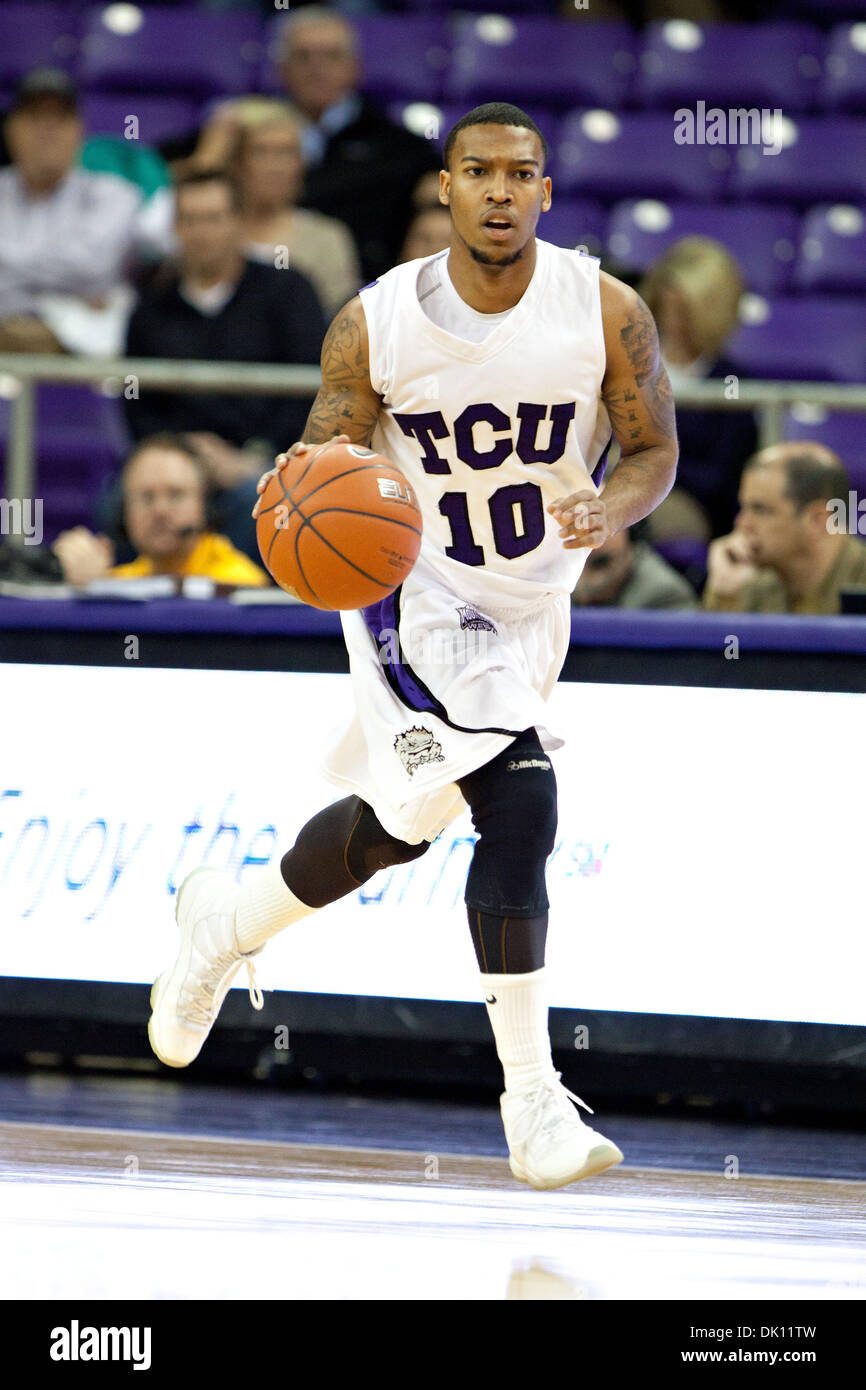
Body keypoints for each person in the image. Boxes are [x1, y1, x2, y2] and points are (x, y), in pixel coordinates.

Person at [147, 103, 679, 1191]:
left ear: (543, 190)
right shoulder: (378, 320)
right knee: (522, 799)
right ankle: (531, 1100)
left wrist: (611, 508)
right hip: (415, 596)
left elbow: (653, 448)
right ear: (443, 187)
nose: (496, 189)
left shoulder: (604, 309)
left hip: (531, 606)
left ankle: (223, 923)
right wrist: (297, 485)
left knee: (397, 832)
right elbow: (328, 442)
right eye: (475, 171)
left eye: (518, 173)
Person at [122, 169, 326, 561]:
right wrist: (181, 454)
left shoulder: (287, 291)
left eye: (213, 218)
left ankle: (254, 614)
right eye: (190, 219)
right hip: (176, 460)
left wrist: (256, 454)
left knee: (256, 497)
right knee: (121, 497)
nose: (201, 232)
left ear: (238, 221)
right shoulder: (151, 304)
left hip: (269, 458)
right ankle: (133, 610)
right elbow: (135, 400)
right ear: (175, 227)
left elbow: (312, 390)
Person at [180, 6, 440, 282]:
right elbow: (168, 181)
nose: (317, 68)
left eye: (331, 56)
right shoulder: (244, 130)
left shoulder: (400, 149)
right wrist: (210, 155)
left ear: (356, 68)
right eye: (303, 56)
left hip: (363, 287)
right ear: (281, 68)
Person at [0, 68, 173, 355]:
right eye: (34, 119)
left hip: (80, 352)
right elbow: (80, 275)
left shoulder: (115, 193)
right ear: (10, 129)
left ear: (78, 131)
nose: (47, 132)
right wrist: (70, 292)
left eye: (60, 120)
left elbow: (90, 268)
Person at [639, 237, 758, 542]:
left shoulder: (732, 383)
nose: (673, 321)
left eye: (685, 312)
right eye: (668, 306)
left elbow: (718, 481)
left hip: (690, 507)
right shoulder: (629, 361)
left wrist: (649, 466)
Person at [53, 434, 269, 589]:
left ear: (205, 507)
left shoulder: (240, 582)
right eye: (146, 497)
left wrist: (98, 591)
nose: (160, 510)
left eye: (176, 494)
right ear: (123, 514)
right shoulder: (119, 581)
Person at [229, 99, 361, 318]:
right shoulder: (212, 230)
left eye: (286, 153)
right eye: (261, 152)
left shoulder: (328, 238)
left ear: (301, 164)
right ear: (238, 164)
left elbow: (340, 324)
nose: (274, 167)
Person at [703, 442, 866, 614]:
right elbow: (725, 641)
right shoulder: (747, 581)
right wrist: (724, 598)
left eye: (760, 510)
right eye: (743, 508)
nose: (742, 523)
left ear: (818, 520)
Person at [573, 519, 699, 609]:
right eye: (579, 522)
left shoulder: (664, 593)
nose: (590, 535)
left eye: (599, 523)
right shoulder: (562, 567)